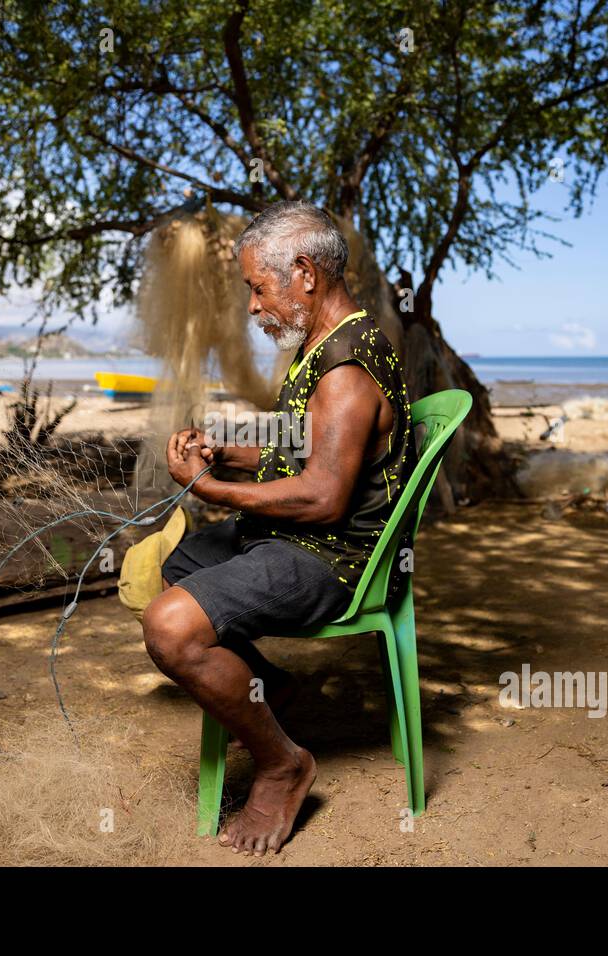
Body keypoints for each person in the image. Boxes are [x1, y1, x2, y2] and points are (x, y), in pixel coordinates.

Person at [144, 201, 413, 856]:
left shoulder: (346, 369)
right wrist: (227, 453)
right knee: (179, 564)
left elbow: (323, 497)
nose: (252, 307)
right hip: (302, 539)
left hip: (335, 557)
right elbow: (313, 449)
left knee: (169, 628)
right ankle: (273, 687)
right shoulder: (325, 343)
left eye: (256, 289)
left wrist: (213, 489)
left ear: (303, 274)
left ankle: (283, 764)